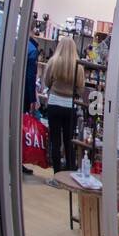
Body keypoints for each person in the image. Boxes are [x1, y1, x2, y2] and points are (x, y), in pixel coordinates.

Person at [43, 35, 81, 172]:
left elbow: (47, 81)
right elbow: (80, 88)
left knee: (55, 141)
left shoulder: (53, 62)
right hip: (70, 107)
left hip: (54, 104)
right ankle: (70, 172)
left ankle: (57, 174)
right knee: (69, 141)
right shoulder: (78, 65)